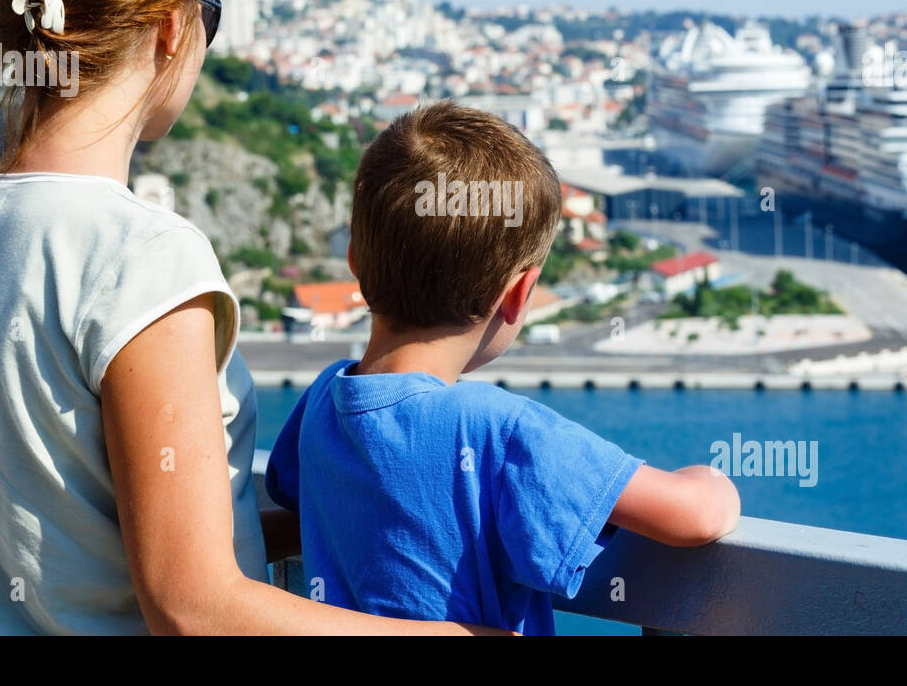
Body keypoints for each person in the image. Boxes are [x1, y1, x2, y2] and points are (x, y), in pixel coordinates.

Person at [0, 0, 496, 634]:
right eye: (206, 15)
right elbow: (192, 606)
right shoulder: (139, 256)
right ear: (170, 27)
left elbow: (85, 526)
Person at [265, 101, 741, 635]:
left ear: (354, 258)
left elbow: (305, 506)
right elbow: (696, 516)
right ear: (518, 296)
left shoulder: (322, 400)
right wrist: (711, 478)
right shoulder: (497, 427)